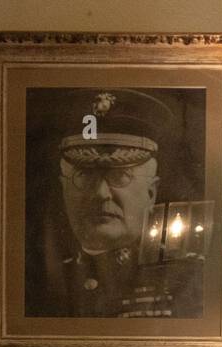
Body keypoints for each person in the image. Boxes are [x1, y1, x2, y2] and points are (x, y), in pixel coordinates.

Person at [24, 89, 206, 319]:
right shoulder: (39, 286)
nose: (101, 194)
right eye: (84, 177)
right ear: (64, 190)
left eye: (120, 176)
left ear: (151, 193)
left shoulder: (188, 277)